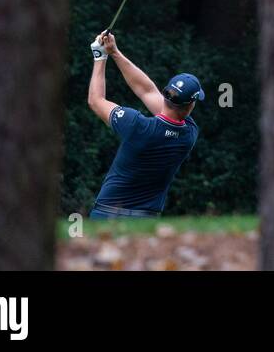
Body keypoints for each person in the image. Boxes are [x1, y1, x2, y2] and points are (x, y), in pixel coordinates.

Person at [86, 30, 203, 219]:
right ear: (190, 105)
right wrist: (114, 52)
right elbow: (146, 91)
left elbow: (96, 100)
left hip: (106, 214)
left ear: (165, 94)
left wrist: (101, 57)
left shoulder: (136, 125)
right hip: (146, 220)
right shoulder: (189, 133)